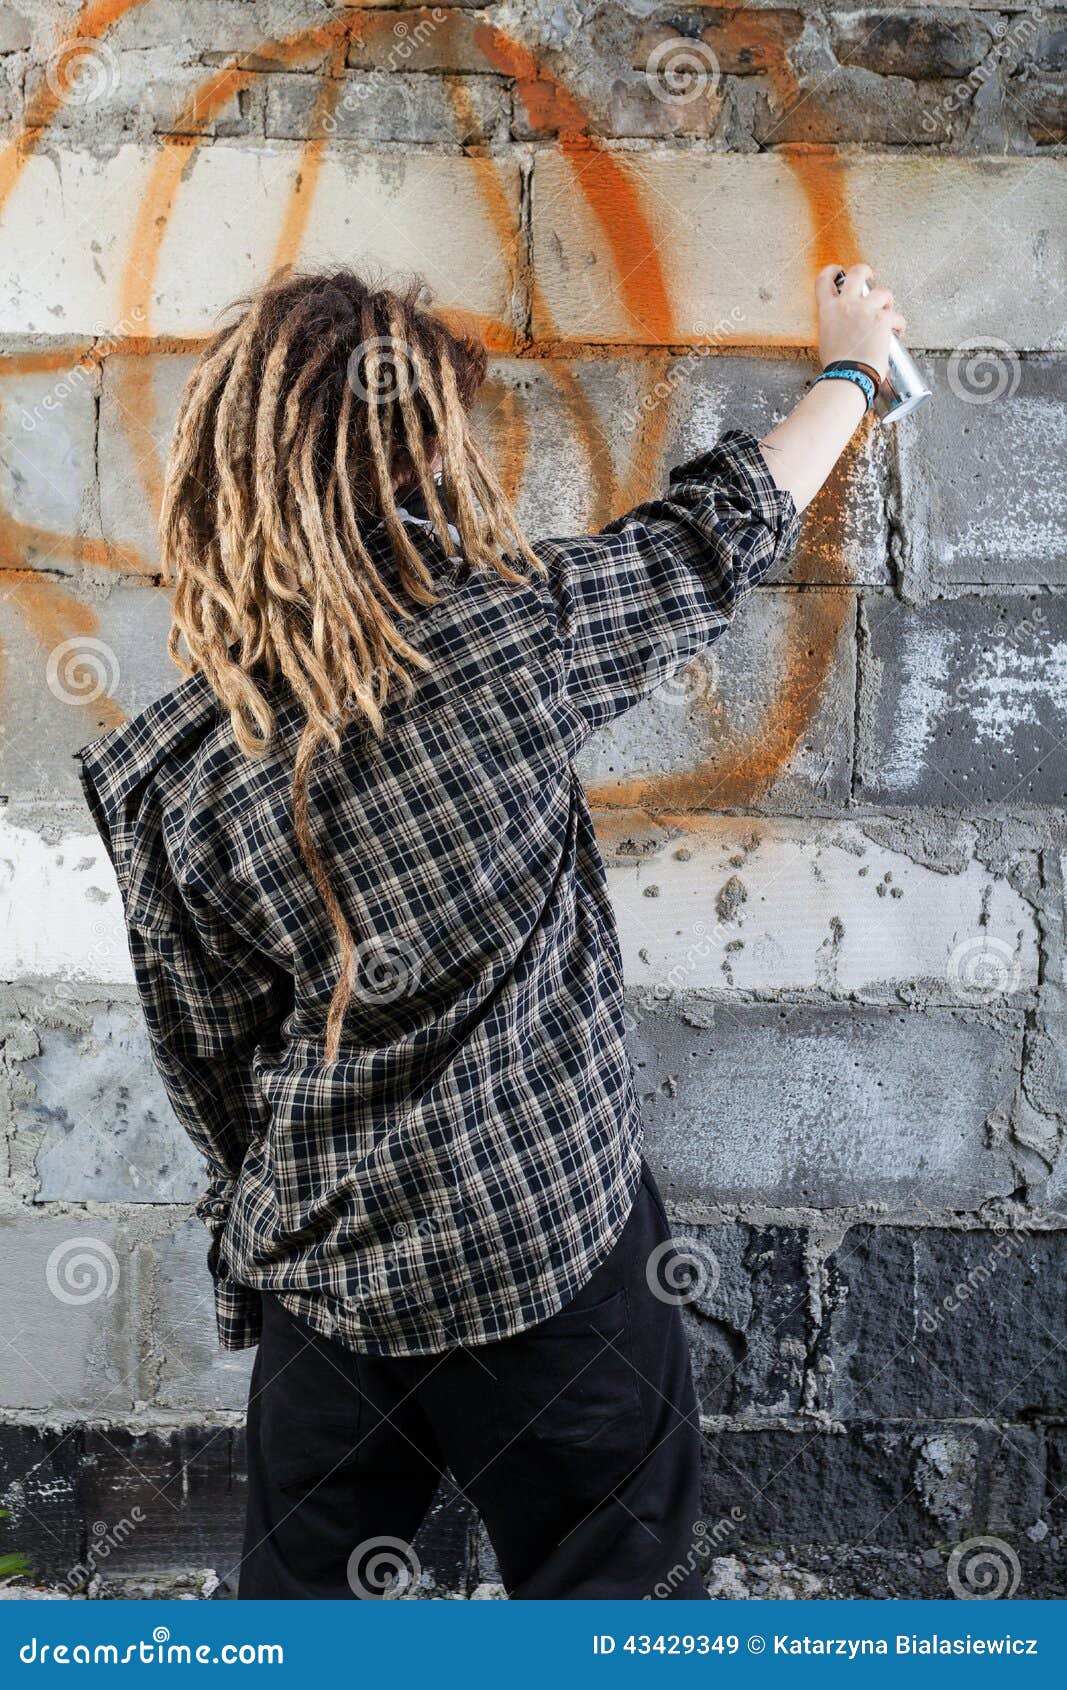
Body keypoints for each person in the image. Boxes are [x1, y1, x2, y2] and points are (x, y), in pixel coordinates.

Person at [75, 262, 905, 1600]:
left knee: (306, 1625)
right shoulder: (513, 634)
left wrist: (271, 1246)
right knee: (605, 1588)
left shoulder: (176, 767)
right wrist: (853, 369)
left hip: (334, 1291)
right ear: (421, 465)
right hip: (550, 1262)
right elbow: (714, 533)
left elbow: (210, 1069)